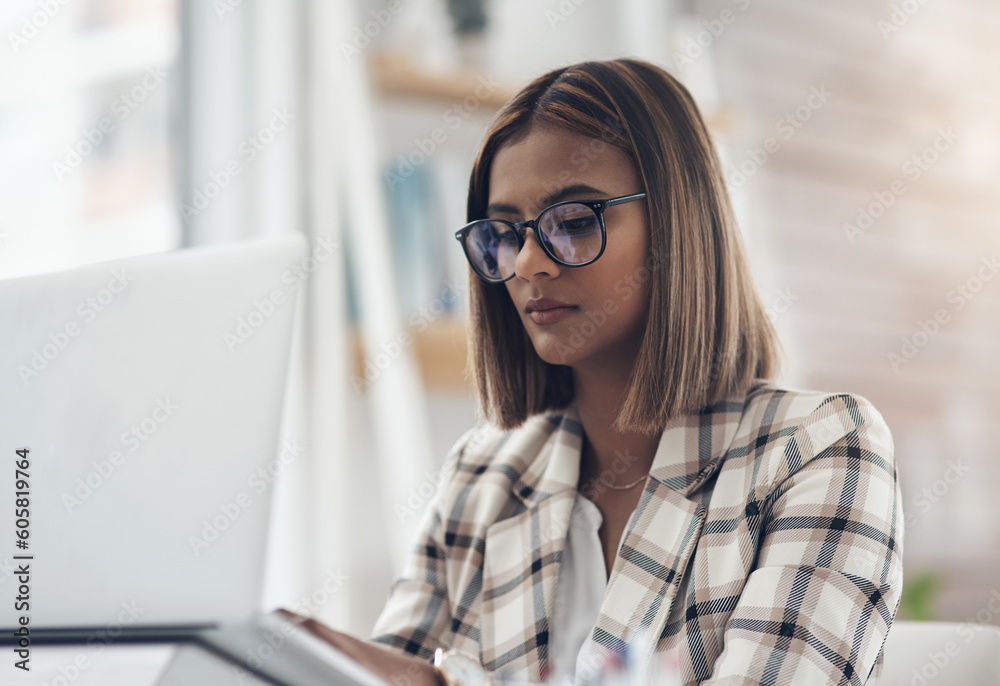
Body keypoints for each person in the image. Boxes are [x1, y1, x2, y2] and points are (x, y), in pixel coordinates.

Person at [287, 58, 903, 686]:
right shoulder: (483, 476)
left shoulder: (819, 449)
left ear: (677, 225)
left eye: (575, 222)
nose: (529, 262)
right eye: (503, 233)